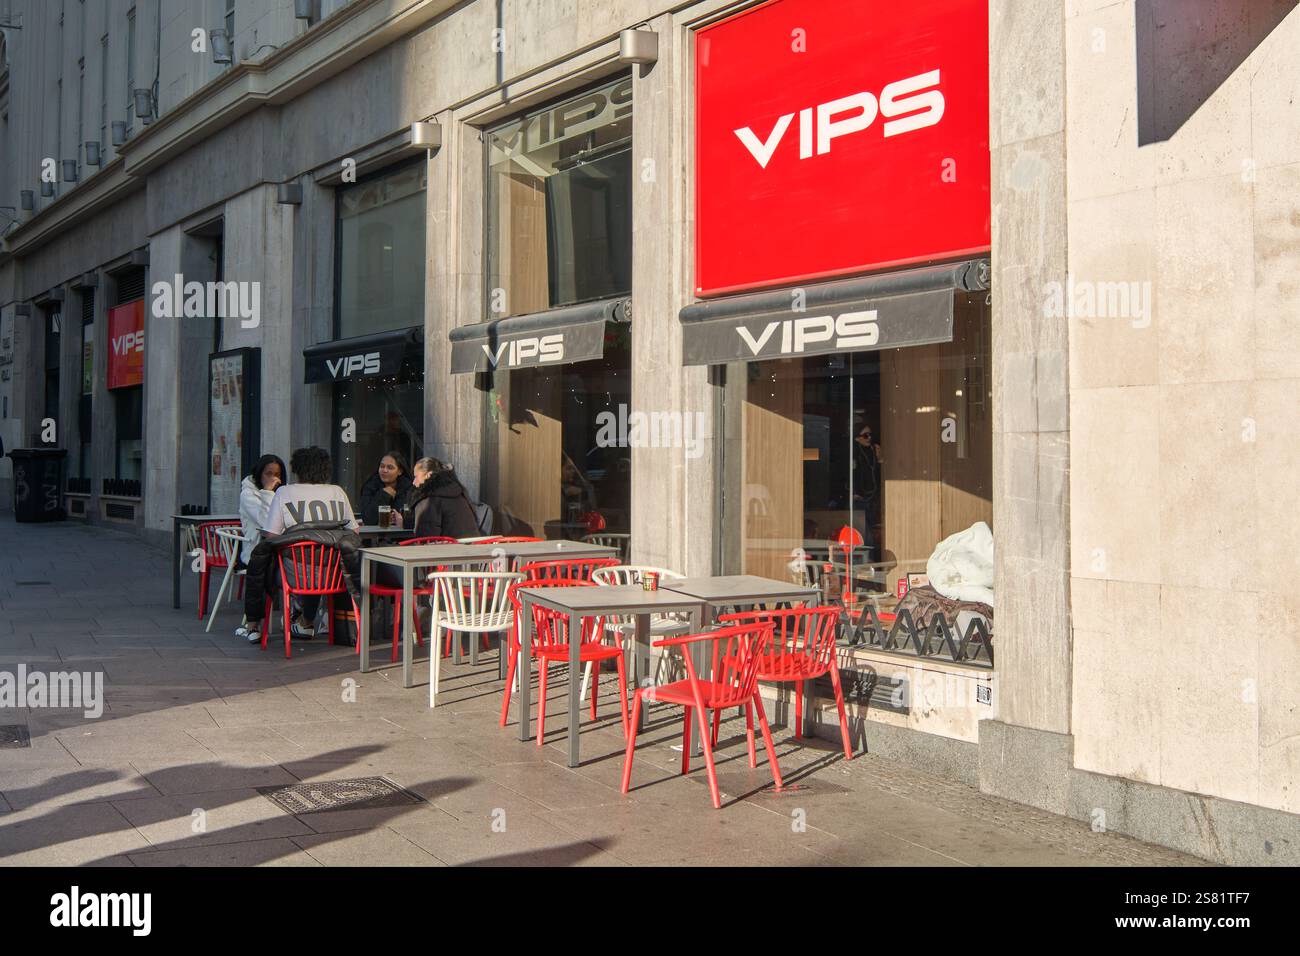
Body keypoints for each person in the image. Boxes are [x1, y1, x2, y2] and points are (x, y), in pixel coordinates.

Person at [243, 446, 359, 644]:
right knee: (315, 555)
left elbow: (271, 534)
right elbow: (354, 532)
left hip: (295, 576)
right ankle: (305, 621)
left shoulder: (285, 493)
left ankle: (254, 625)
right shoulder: (337, 492)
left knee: (277, 562)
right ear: (326, 469)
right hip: (334, 575)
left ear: (297, 469)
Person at [403, 456, 481, 540]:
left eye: (416, 477)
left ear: (429, 475)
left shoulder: (428, 499)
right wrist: (406, 522)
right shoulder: (458, 492)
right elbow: (448, 521)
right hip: (471, 549)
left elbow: (425, 538)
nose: (414, 482)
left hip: (447, 551)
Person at [237, 454, 286, 566]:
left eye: (277, 475)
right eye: (268, 474)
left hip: (280, 549)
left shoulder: (282, 492)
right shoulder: (247, 494)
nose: (273, 479)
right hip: (256, 552)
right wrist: (268, 492)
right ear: (259, 474)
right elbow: (267, 523)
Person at [357, 450, 413, 526]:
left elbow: (409, 516)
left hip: (403, 535)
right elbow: (368, 519)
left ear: (400, 471)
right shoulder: (370, 486)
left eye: (390, 467)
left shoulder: (408, 487)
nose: (384, 470)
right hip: (375, 535)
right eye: (382, 466)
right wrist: (384, 494)